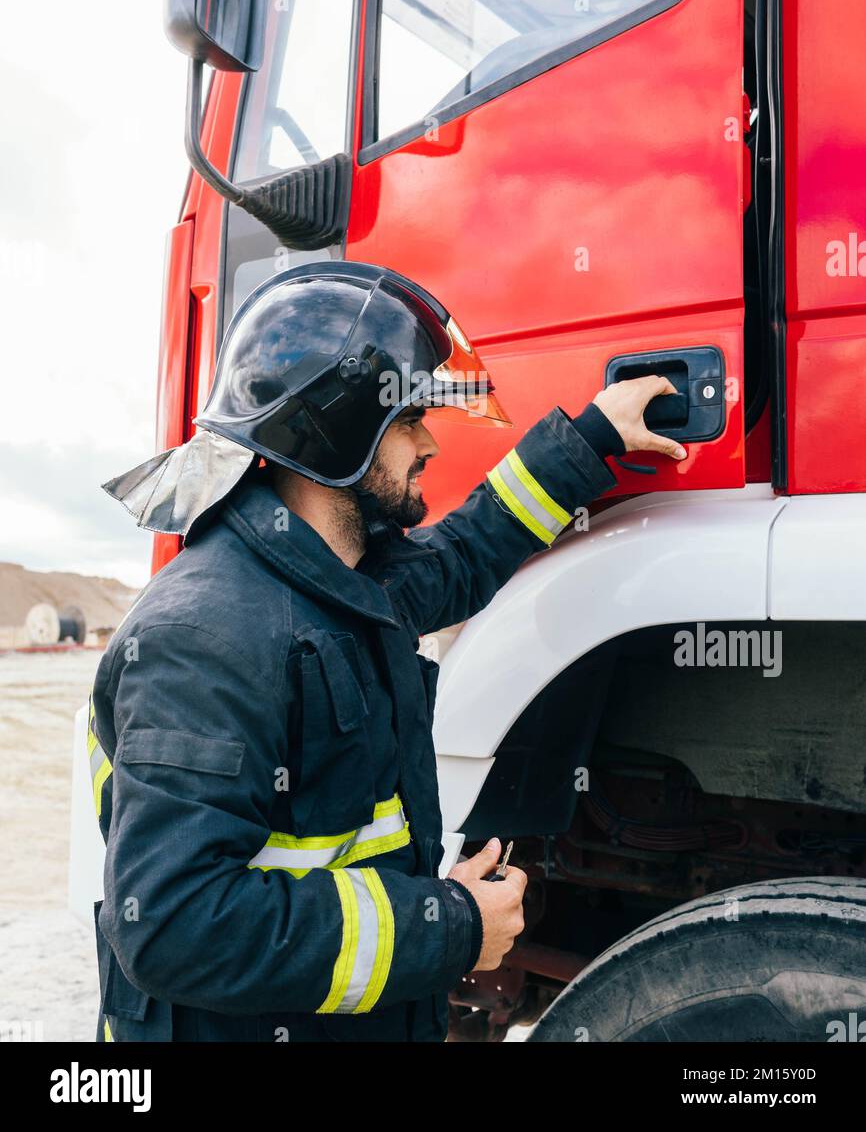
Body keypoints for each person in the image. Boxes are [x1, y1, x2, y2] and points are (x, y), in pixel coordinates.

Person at [89, 260, 686, 1042]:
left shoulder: (348, 579)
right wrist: (453, 924)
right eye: (408, 420)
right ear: (340, 436)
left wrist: (595, 437)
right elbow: (173, 925)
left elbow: (471, 548)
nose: (431, 442)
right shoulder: (204, 639)